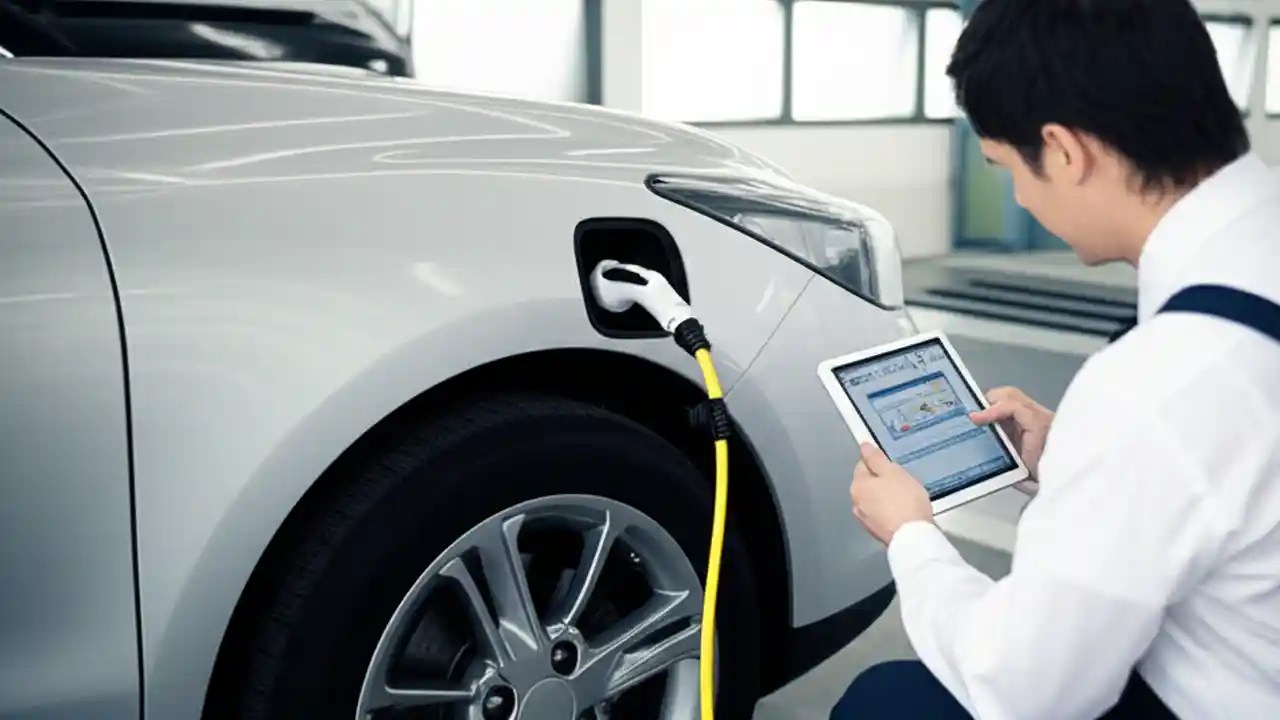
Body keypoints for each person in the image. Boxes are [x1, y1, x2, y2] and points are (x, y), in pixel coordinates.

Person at [832, 1, 1280, 719]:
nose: (1018, 196)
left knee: (885, 703)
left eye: (1008, 168)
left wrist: (912, 535)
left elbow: (1025, 690)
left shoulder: (1158, 382)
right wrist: (1080, 458)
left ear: (1066, 153)